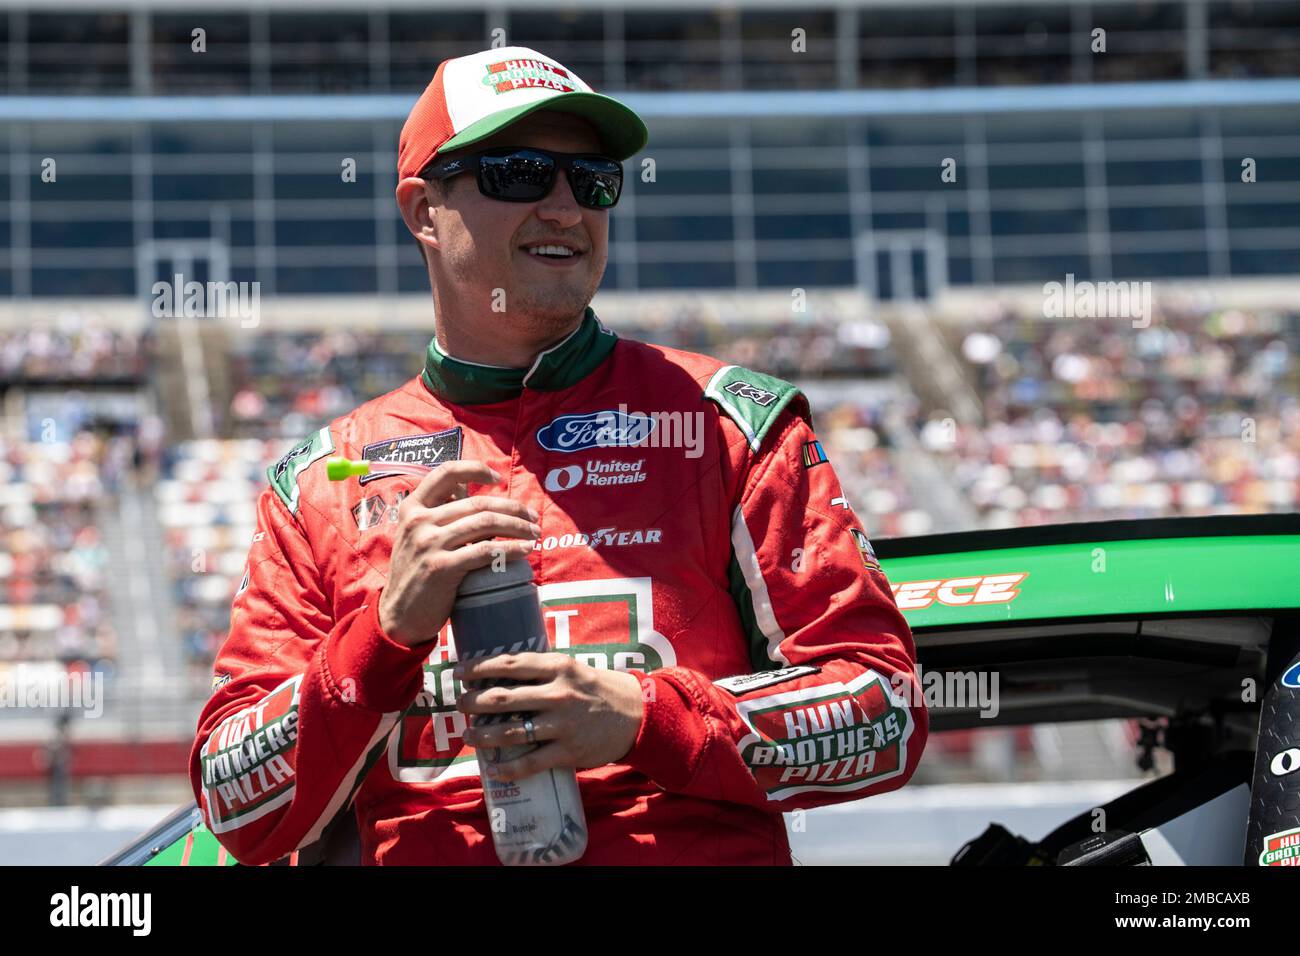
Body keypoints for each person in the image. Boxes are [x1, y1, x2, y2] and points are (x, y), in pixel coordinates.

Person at [190, 46, 928, 866]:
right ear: (423, 210)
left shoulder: (728, 424)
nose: (565, 208)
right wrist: (386, 635)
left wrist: (642, 716)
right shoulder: (325, 481)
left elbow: (884, 711)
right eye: (519, 174)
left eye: (592, 181)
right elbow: (236, 808)